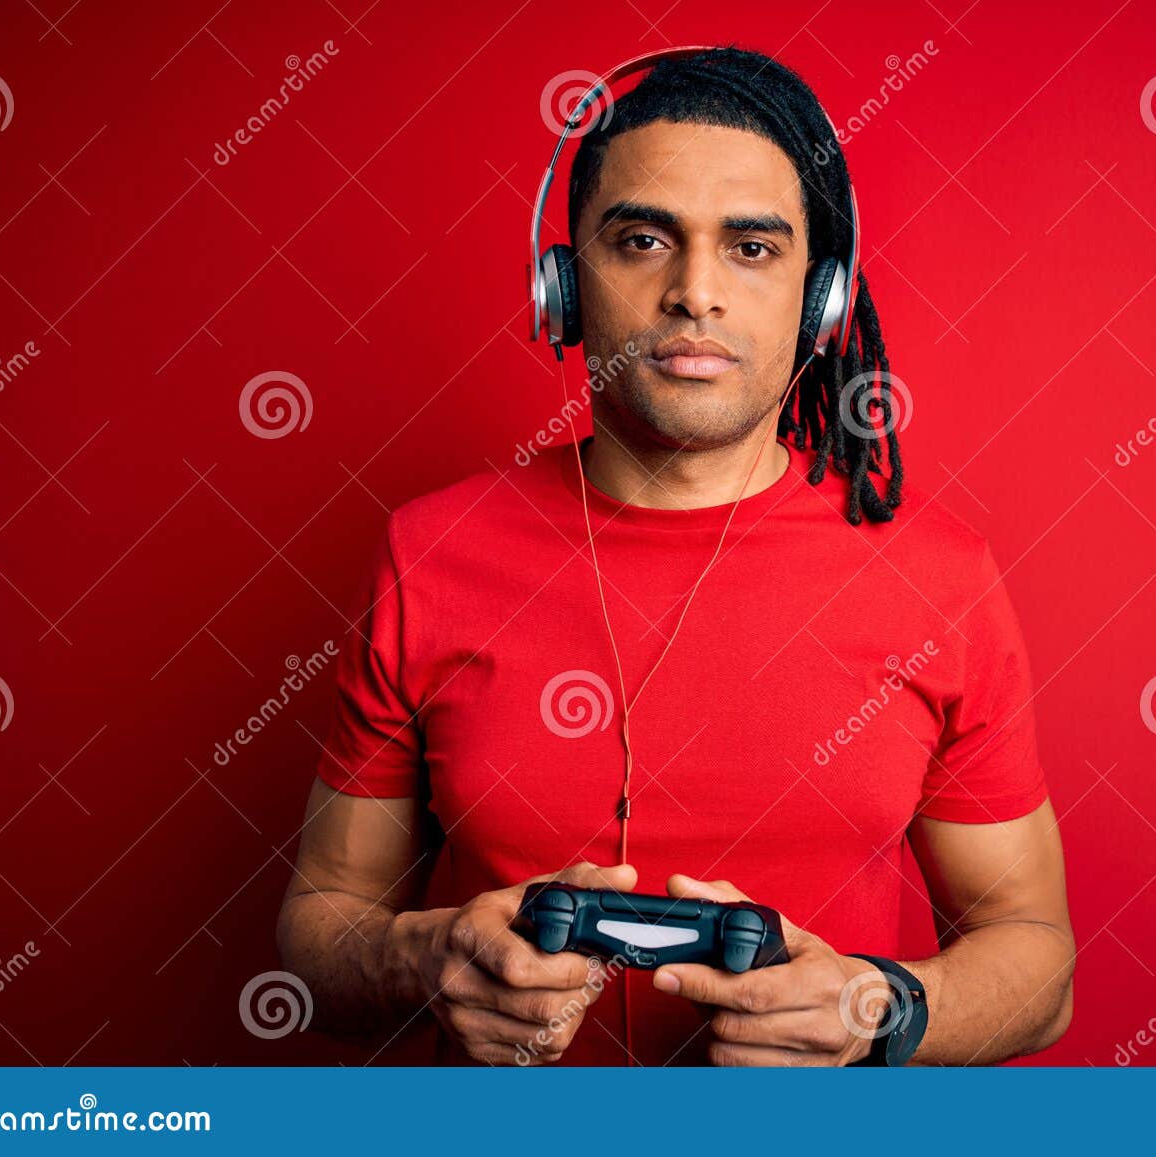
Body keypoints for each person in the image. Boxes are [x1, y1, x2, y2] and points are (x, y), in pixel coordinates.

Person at [276, 45, 1074, 1066]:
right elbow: (319, 926)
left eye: (751, 249)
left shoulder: (939, 579)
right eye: (644, 238)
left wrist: (878, 1009)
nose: (694, 292)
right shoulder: (428, 551)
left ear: (820, 301)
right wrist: (425, 959)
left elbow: (1039, 961)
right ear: (562, 284)